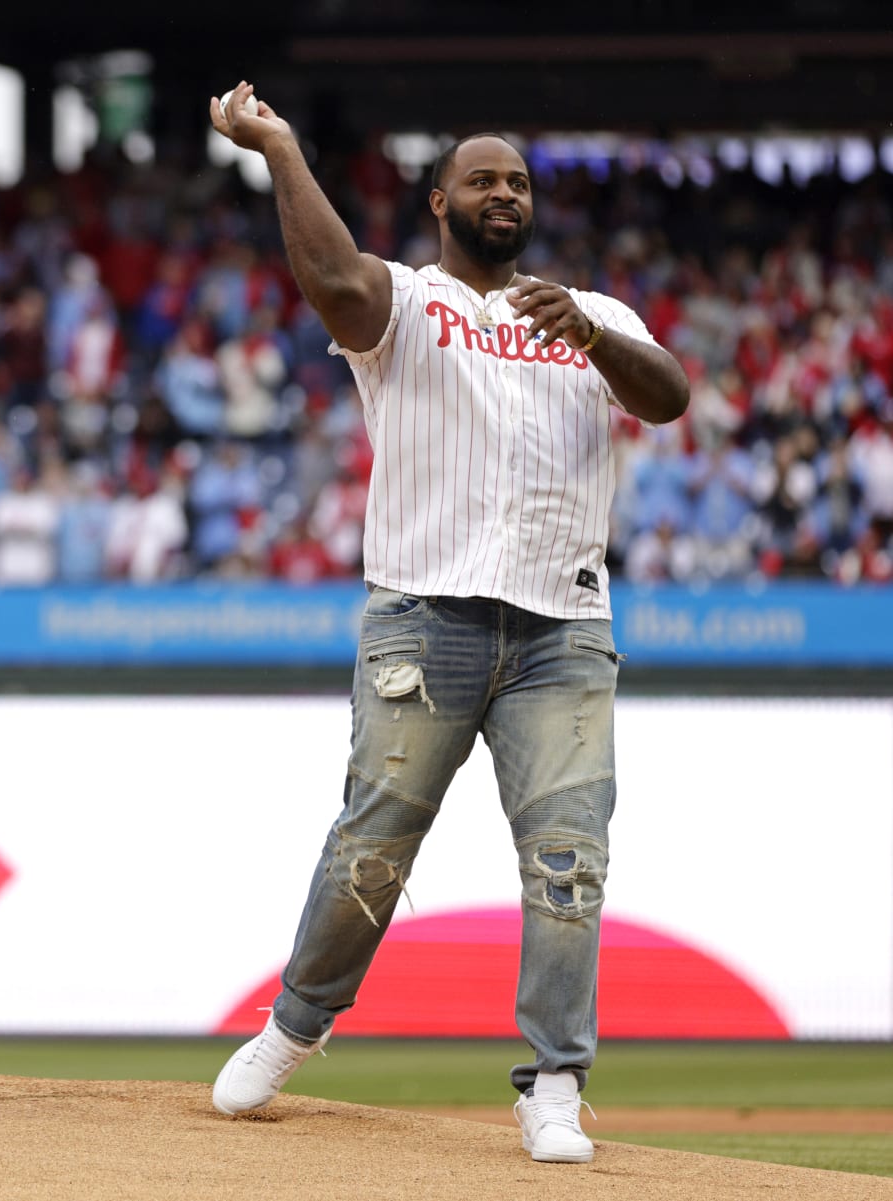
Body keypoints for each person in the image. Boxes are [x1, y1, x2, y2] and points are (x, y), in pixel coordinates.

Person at [206, 86, 689, 1164]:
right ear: (441, 200)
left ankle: (555, 1083)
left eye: (518, 180)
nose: (504, 193)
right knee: (373, 843)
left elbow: (666, 398)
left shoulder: (592, 314)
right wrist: (281, 149)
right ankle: (295, 1025)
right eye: (484, 178)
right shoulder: (412, 302)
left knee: (569, 858)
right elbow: (331, 281)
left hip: (563, 627)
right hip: (425, 617)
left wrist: (596, 339)